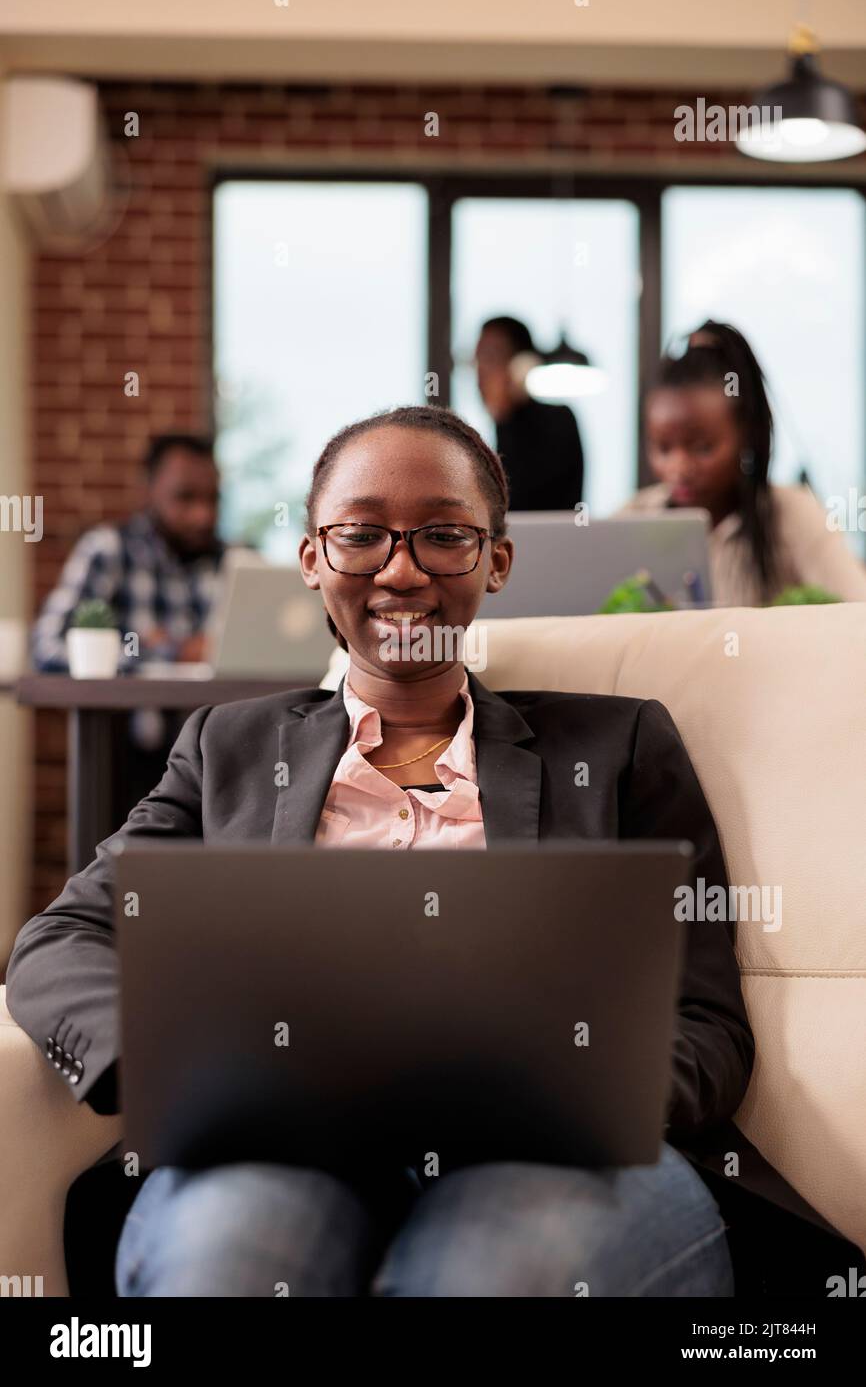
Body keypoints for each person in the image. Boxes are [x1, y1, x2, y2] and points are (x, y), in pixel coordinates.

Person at [9, 404, 763, 1296]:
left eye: (443, 535)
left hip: (560, 1157)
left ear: (498, 559)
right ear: (312, 558)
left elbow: (709, 1026)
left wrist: (581, 1087)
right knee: (230, 1263)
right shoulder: (229, 751)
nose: (401, 572)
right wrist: (176, 1067)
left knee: (489, 1273)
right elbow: (58, 944)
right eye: (362, 535)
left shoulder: (620, 746)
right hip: (282, 1148)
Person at [617, 321, 866, 606]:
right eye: (663, 448)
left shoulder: (791, 515)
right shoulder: (633, 519)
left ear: (746, 435)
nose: (679, 467)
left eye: (702, 448)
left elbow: (859, 613)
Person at [31, 432, 225, 673]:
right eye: (185, 497)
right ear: (147, 490)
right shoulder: (107, 551)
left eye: (213, 499)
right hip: (138, 712)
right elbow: (46, 649)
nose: (203, 516)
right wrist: (168, 654)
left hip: (219, 712)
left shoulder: (233, 562)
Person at [475, 316, 584, 511]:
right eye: (477, 360)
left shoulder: (558, 421)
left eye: (490, 357)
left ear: (522, 365)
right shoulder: (495, 427)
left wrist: (505, 415)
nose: (480, 371)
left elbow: (520, 503)